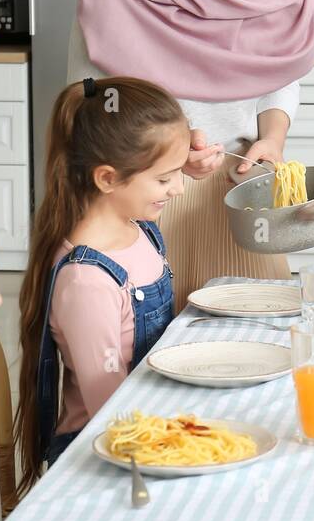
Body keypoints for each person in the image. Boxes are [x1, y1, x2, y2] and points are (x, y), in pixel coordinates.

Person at [71, 0, 314, 297]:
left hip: (246, 190)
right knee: (148, 346)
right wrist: (171, 147)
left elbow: (279, 69)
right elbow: (89, 100)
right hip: (149, 193)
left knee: (257, 337)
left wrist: (272, 137)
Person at [13, 77, 189, 492]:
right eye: (165, 179)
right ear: (107, 178)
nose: (179, 189)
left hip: (150, 429)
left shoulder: (141, 231)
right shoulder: (87, 281)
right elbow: (113, 416)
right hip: (102, 459)